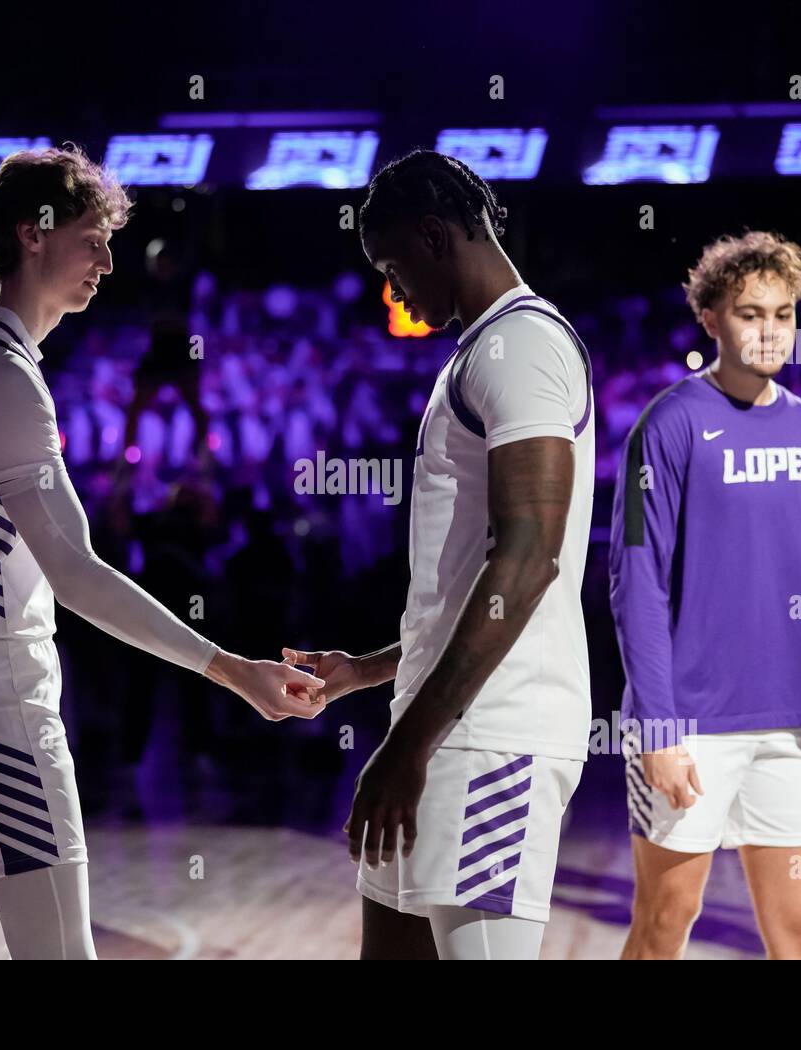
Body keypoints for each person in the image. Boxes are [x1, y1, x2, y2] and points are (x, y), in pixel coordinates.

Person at [0, 145, 324, 960]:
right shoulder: (0, 375)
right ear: (33, 234)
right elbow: (78, 571)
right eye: (91, 239)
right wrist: (232, 669)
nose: (108, 261)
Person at [284, 149, 595, 960]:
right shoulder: (482, 350)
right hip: (445, 724)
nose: (394, 292)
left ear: (434, 234)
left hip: (492, 736)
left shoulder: (522, 347)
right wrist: (372, 668)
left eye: (394, 267)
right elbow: (469, 584)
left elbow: (528, 560)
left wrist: (407, 745)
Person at [609, 231, 801, 960]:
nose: (769, 330)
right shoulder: (668, 425)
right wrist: (658, 730)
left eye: (784, 314)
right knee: (666, 925)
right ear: (710, 318)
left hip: (791, 728)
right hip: (690, 726)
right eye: (750, 312)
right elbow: (635, 586)